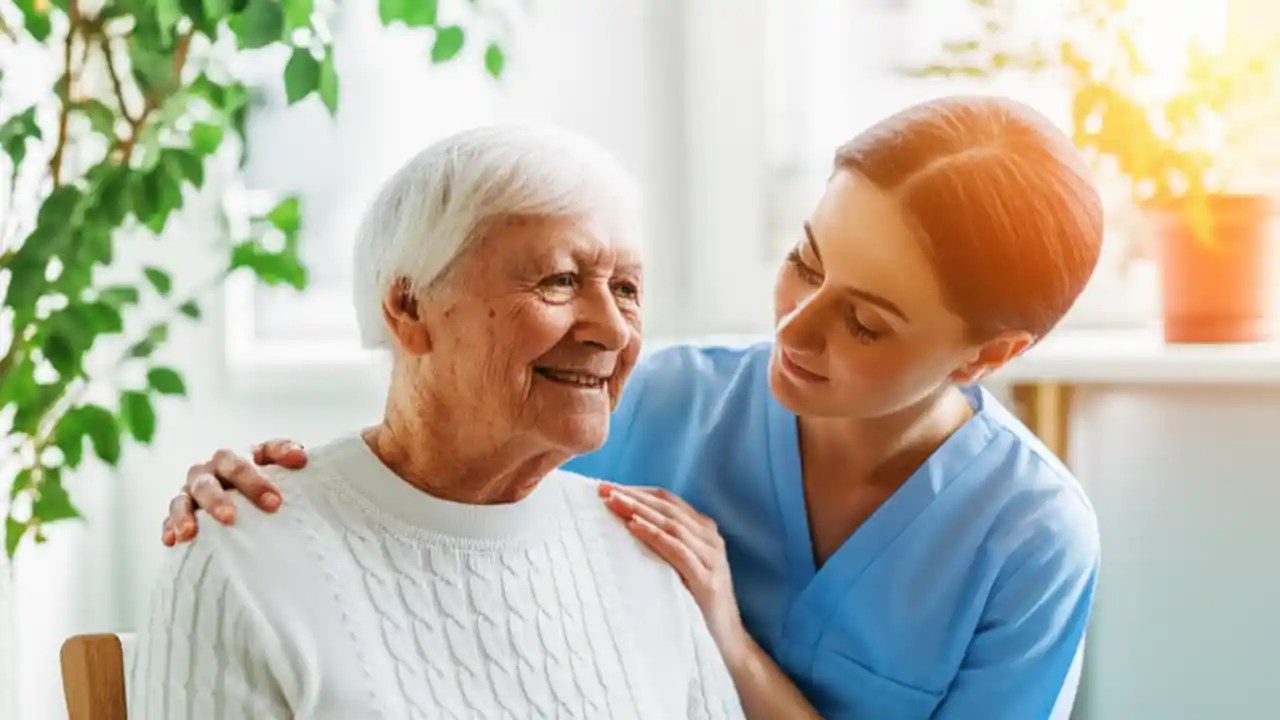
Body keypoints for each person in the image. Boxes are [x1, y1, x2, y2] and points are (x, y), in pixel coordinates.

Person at [163, 95, 1103, 720]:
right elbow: (438, 499)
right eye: (806, 261)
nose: (796, 329)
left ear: (989, 356)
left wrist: (729, 647)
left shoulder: (1028, 538)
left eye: (862, 321)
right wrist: (259, 503)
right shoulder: (652, 400)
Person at [129, 124, 744, 720]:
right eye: (560, 281)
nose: (612, 329)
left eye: (627, 289)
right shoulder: (244, 560)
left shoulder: (644, 555)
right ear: (408, 306)